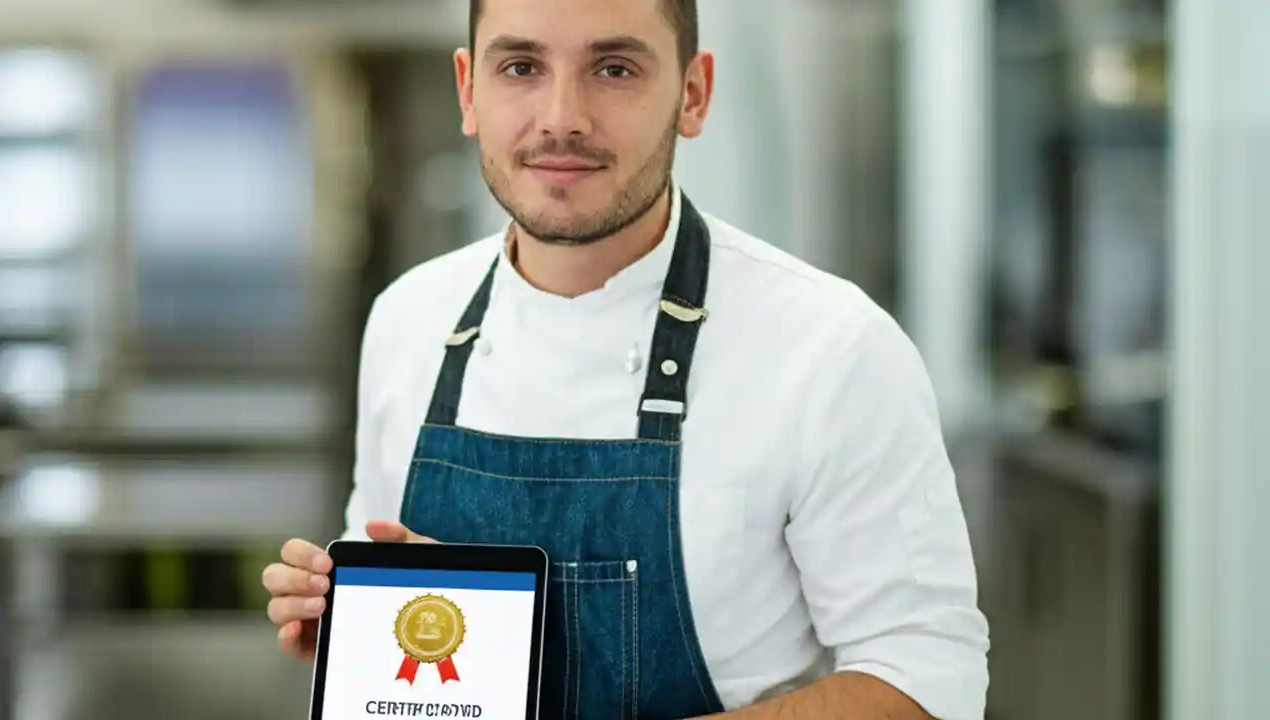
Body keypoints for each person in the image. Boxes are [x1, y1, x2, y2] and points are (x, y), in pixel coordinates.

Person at [262, 0, 989, 717]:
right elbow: (419, 644)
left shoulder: (831, 347)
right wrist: (359, 625)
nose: (561, 117)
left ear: (693, 94)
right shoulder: (410, 317)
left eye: (613, 68)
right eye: (520, 66)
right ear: (469, 91)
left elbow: (925, 682)